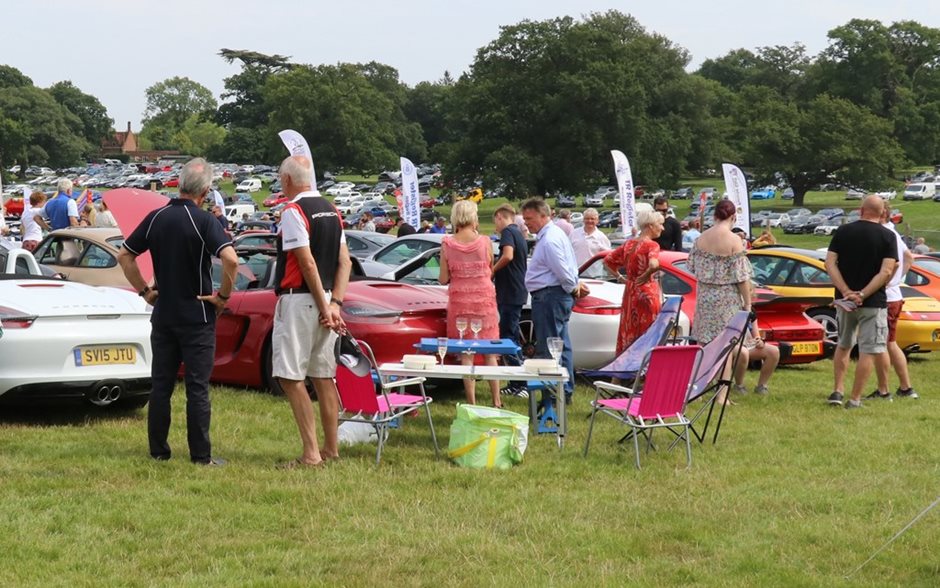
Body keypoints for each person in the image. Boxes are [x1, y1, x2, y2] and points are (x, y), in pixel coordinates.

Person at [117, 158, 238, 466]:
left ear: (180, 183)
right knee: (197, 387)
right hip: (197, 314)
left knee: (161, 385)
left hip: (164, 313)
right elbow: (232, 260)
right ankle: (201, 455)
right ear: (206, 190)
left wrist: (145, 291)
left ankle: (158, 451)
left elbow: (125, 255)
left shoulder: (156, 217)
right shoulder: (205, 221)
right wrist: (222, 296)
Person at [272, 155, 352, 467]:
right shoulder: (332, 210)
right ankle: (331, 448)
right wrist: (335, 304)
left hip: (300, 301)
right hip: (328, 300)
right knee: (323, 375)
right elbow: (344, 261)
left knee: (290, 376)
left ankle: (311, 452)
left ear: (288, 180)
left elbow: (306, 263)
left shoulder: (293, 211)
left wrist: (324, 306)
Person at [825, 195, 897, 409]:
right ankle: (855, 398)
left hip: (844, 301)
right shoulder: (887, 236)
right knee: (869, 350)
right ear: (883, 213)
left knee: (844, 344)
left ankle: (837, 391)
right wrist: (863, 294)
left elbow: (830, 264)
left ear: (860, 210)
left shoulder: (844, 231)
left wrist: (846, 291)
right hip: (873, 303)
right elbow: (886, 271)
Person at [687, 199, 755, 405]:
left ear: (715, 215)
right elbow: (742, 277)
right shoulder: (734, 240)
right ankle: (721, 395)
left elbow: (691, 266)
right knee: (726, 347)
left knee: (703, 344)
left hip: (705, 297)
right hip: (727, 298)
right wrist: (748, 304)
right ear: (733, 217)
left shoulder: (700, 239)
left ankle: (695, 389)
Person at [522, 197, 589, 403]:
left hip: (550, 296)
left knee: (548, 347)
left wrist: (573, 287)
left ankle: (552, 396)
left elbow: (563, 270)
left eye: (530, 218)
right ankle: (564, 391)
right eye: (524, 219)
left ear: (544, 216)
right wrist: (572, 287)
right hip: (553, 295)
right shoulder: (554, 235)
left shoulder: (550, 239)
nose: (526, 223)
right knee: (561, 345)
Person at [439, 200, 502, 406]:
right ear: (473, 217)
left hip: (460, 302)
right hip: (484, 300)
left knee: (467, 352)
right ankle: (496, 400)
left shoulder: (447, 243)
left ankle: (472, 402)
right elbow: (489, 267)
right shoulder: (485, 241)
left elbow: (443, 278)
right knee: (490, 352)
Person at [872, 204, 918, 400]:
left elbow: (903, 260)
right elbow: (909, 258)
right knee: (890, 343)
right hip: (895, 295)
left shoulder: (883, 234)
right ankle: (905, 388)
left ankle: (887, 390)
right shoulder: (894, 234)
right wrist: (898, 280)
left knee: (882, 344)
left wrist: (889, 282)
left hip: (887, 297)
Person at [604, 206, 664, 356]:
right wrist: (648, 273)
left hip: (630, 292)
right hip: (647, 292)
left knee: (627, 331)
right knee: (648, 333)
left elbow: (607, 261)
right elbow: (654, 263)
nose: (662, 228)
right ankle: (644, 372)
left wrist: (620, 277)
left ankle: (619, 375)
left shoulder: (629, 244)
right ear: (650, 226)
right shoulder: (652, 245)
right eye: (660, 224)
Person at [492, 204, 529, 398]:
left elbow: (507, 255)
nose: (495, 227)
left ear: (500, 216)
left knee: (508, 337)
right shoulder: (519, 233)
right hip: (516, 291)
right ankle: (516, 381)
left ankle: (519, 383)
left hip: (510, 292)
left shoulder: (507, 232)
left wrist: (492, 270)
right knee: (511, 333)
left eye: (494, 222)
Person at [732, 281, 780, 395]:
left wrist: (759, 342)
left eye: (747, 292)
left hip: (747, 343)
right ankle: (739, 385)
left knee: (773, 351)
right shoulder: (730, 310)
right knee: (743, 353)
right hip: (732, 344)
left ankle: (762, 385)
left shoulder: (751, 312)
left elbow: (756, 335)